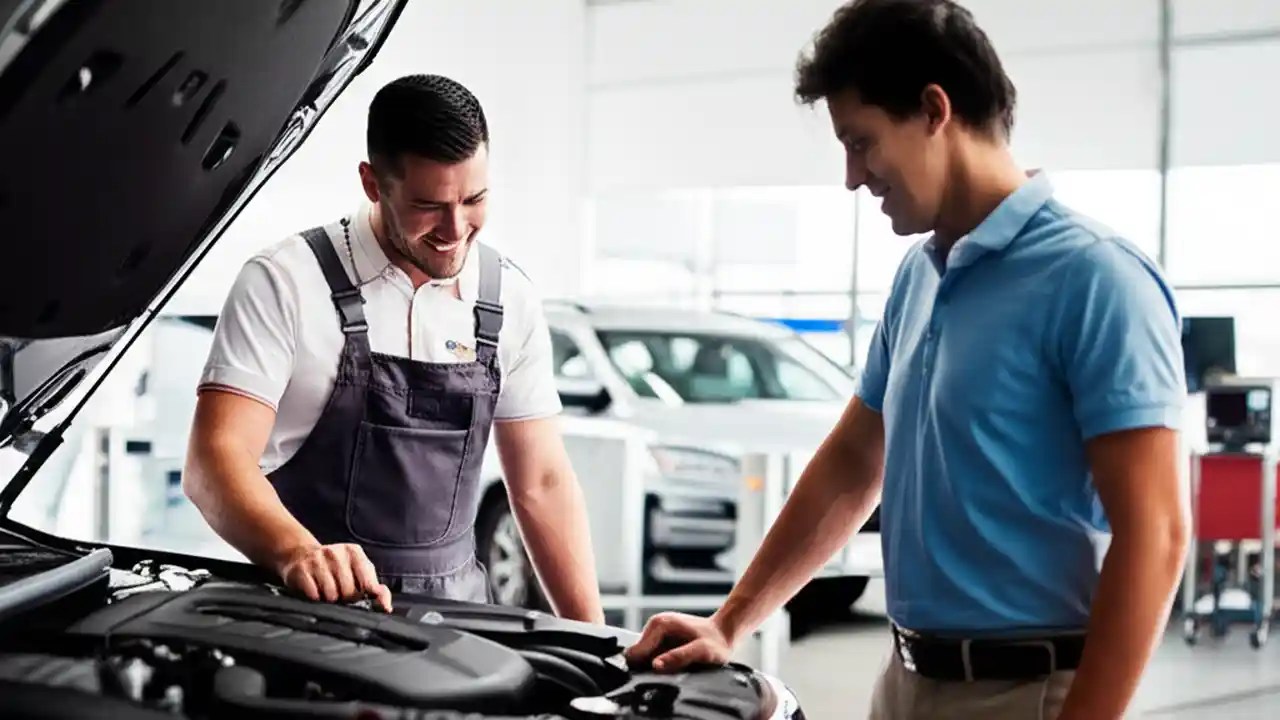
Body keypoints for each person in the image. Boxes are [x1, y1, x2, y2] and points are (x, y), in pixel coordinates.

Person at [624, 1, 1188, 718]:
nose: (853, 177)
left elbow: (1157, 533)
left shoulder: (1096, 278)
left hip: (1033, 693)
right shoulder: (920, 276)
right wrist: (731, 621)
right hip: (906, 681)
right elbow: (857, 460)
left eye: (862, 142)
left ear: (933, 109)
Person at [183, 74, 604, 624]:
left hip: (459, 630)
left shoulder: (510, 298)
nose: (456, 229)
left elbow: (542, 483)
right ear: (372, 183)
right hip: (305, 622)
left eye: (474, 199)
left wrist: (598, 643)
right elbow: (214, 462)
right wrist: (297, 552)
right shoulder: (284, 282)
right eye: (429, 205)